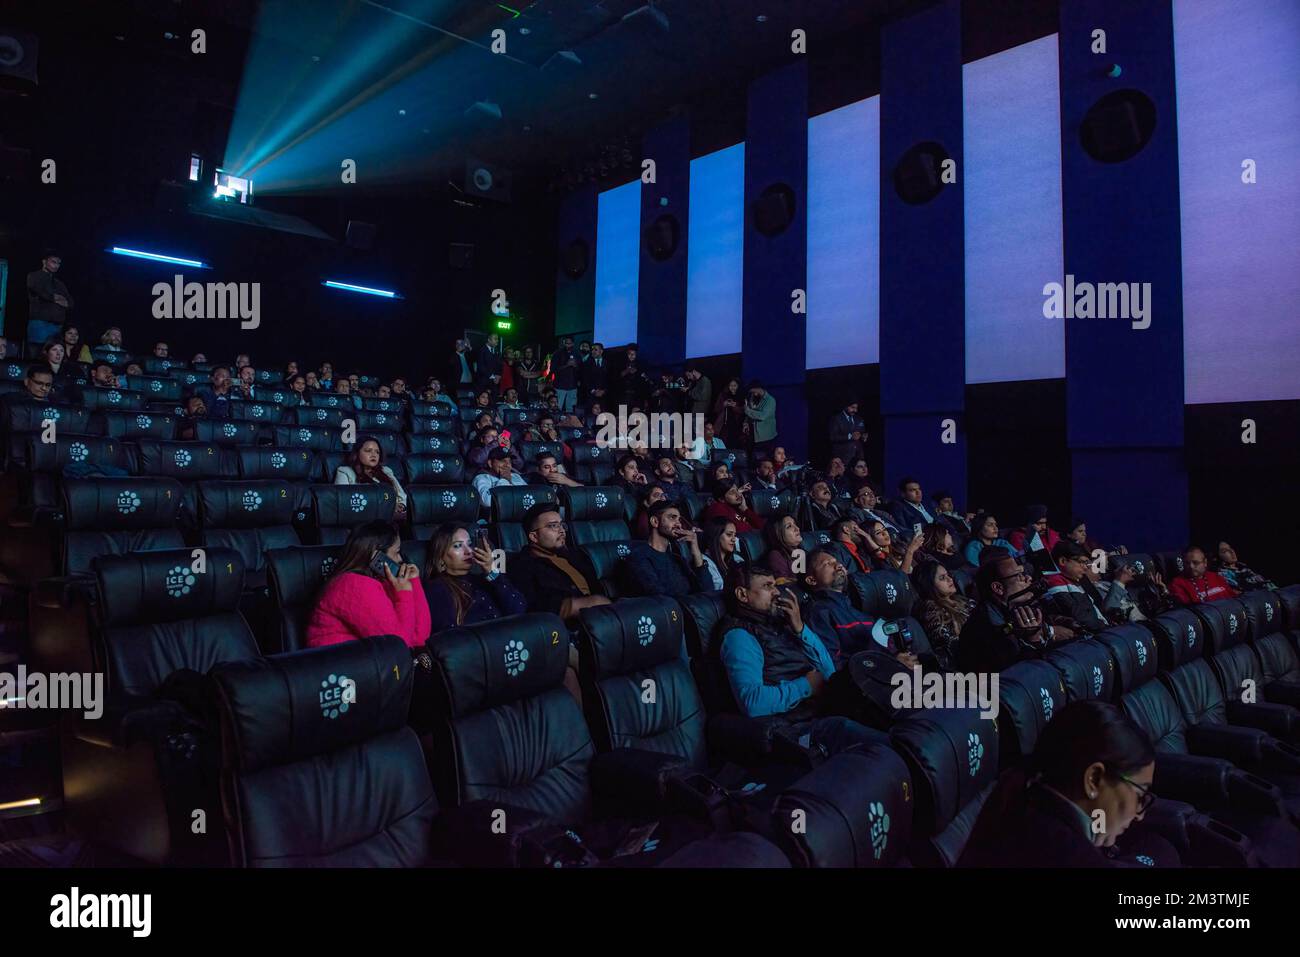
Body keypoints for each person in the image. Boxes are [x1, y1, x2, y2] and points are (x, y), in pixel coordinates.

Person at [959, 701, 1165, 868]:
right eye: (1141, 795)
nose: (1140, 814)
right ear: (1093, 779)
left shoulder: (1017, 799)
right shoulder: (1066, 855)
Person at [717, 564, 890, 755]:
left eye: (775, 585)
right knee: (879, 742)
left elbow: (828, 670)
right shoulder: (739, 636)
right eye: (767, 587)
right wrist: (806, 686)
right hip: (796, 728)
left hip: (824, 708)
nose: (776, 592)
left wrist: (800, 629)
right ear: (742, 595)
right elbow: (753, 703)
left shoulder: (782, 623)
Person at [304, 521, 430, 649]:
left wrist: (414, 582)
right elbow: (397, 646)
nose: (400, 559)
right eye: (397, 552)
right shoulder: (354, 585)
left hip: (366, 662)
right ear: (377, 556)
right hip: (338, 664)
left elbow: (419, 638)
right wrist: (403, 595)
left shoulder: (381, 582)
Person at [956, 549, 1074, 673]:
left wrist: (1053, 628)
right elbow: (1022, 675)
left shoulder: (1019, 607)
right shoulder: (984, 628)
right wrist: (1034, 640)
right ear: (998, 588)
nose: (1027, 578)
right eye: (1019, 576)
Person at [508, 503, 612, 622]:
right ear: (534, 537)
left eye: (562, 525)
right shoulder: (521, 565)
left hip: (601, 617)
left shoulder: (574, 556)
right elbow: (531, 606)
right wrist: (575, 606)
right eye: (553, 526)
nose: (562, 531)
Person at [802, 549, 901, 671]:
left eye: (837, 562)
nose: (838, 565)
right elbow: (834, 664)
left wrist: (898, 657)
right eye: (827, 563)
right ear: (812, 580)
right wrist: (890, 664)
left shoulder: (859, 604)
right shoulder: (818, 612)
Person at [423, 524, 527, 631]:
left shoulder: (486, 579)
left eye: (469, 544)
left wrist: (493, 572)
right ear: (440, 558)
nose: (469, 551)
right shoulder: (436, 588)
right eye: (457, 546)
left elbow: (519, 610)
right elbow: (449, 635)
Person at [622, 501, 714, 598]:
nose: (679, 524)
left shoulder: (677, 558)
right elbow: (660, 598)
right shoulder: (639, 556)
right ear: (655, 522)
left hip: (691, 608)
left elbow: (707, 591)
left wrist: (696, 552)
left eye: (679, 520)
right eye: (672, 518)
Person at [913, 561, 973, 670]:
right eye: (942, 578)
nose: (950, 579)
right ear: (929, 585)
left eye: (948, 575)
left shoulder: (961, 600)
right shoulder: (931, 610)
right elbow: (949, 644)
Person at [1042, 542, 1112, 633]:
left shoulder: (1074, 581)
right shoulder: (1055, 582)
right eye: (1082, 562)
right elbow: (1082, 618)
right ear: (1063, 561)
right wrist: (1107, 629)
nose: (1086, 568)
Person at [334, 436, 408, 518]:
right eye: (368, 451)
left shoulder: (386, 471)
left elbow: (403, 497)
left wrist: (401, 506)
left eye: (377, 452)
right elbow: (343, 503)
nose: (374, 455)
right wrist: (386, 508)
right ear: (357, 453)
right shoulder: (345, 472)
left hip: (390, 519)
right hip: (362, 521)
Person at [26, 252, 74, 345]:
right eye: (53, 262)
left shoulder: (59, 283)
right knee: (37, 352)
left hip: (57, 325)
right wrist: (54, 298)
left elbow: (70, 302)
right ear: (44, 262)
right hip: (40, 323)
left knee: (55, 351)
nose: (56, 265)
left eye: (58, 263)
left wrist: (62, 301)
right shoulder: (34, 276)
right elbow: (40, 292)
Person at [1170, 545, 1239, 605]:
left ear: (1205, 562)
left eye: (1195, 563)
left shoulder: (1216, 577)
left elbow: (1233, 597)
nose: (1191, 566)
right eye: (1187, 563)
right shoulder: (1177, 583)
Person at [700, 478, 765, 533]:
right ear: (721, 499)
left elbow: (762, 526)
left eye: (737, 490)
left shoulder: (735, 507)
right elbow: (734, 531)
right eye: (732, 492)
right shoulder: (717, 508)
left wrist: (745, 509)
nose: (738, 494)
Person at [700, 517, 743, 589]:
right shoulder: (705, 561)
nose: (734, 539)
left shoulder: (736, 558)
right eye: (729, 535)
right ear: (716, 536)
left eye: (734, 535)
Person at [761, 512, 804, 581]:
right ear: (778, 534)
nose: (797, 528)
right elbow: (784, 583)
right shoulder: (775, 555)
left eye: (795, 524)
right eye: (789, 526)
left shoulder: (801, 552)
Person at [743, 381, 777, 455]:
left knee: (763, 459)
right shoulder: (753, 397)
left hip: (765, 438)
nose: (752, 393)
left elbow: (762, 416)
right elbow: (749, 414)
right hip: (753, 436)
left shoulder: (770, 400)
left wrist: (747, 410)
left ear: (758, 388)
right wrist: (745, 423)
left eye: (753, 391)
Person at [712, 377, 746, 449]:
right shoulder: (723, 395)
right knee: (723, 444)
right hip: (724, 425)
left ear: (738, 386)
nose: (732, 388)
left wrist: (735, 406)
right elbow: (716, 409)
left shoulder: (742, 396)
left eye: (734, 386)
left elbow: (744, 411)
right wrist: (723, 405)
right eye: (730, 385)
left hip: (738, 426)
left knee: (734, 445)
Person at [552, 335, 579, 411]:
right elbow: (553, 369)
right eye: (566, 343)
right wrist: (567, 365)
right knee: (557, 408)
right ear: (563, 343)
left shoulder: (576, 354)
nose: (568, 345)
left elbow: (581, 369)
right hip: (560, 386)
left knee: (571, 410)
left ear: (573, 343)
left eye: (569, 343)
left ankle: (570, 423)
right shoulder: (557, 353)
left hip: (573, 386)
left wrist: (575, 365)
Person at [580, 341, 609, 405]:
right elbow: (585, 379)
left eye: (595, 350)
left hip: (604, 396)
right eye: (592, 349)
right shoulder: (586, 364)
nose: (593, 351)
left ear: (601, 351)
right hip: (590, 396)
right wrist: (593, 391)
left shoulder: (608, 363)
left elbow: (610, 378)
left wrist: (603, 391)